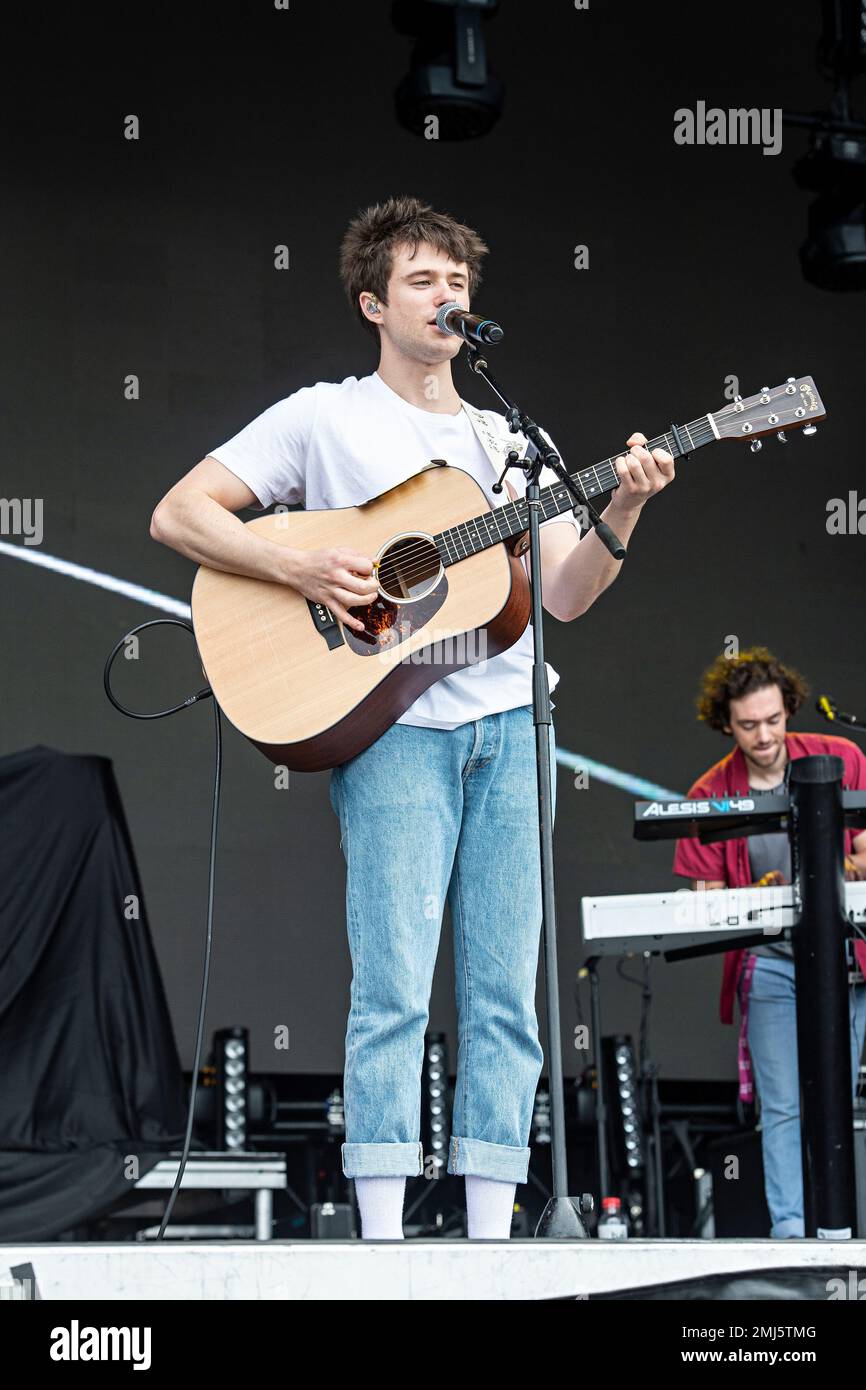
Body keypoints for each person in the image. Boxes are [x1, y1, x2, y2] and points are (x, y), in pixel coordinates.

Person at [150, 195, 675, 1239]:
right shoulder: (323, 416)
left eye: (458, 281)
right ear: (371, 302)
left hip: (512, 728)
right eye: (424, 280)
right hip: (392, 727)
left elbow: (560, 597)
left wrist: (621, 505)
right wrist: (301, 561)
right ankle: (381, 1231)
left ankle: (491, 1226)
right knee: (391, 981)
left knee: (502, 989)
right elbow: (180, 513)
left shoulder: (504, 438)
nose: (448, 295)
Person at [673, 646, 866, 1237]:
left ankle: (838, 1233)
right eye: (749, 725)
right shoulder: (709, 792)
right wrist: (761, 893)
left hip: (845, 958)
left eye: (774, 720)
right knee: (781, 1106)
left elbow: (863, 857)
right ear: (725, 724)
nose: (764, 736)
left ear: (790, 709)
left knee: (836, 1098)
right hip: (771, 963)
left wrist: (820, 877)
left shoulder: (842, 757)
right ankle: (790, 1234)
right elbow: (706, 899)